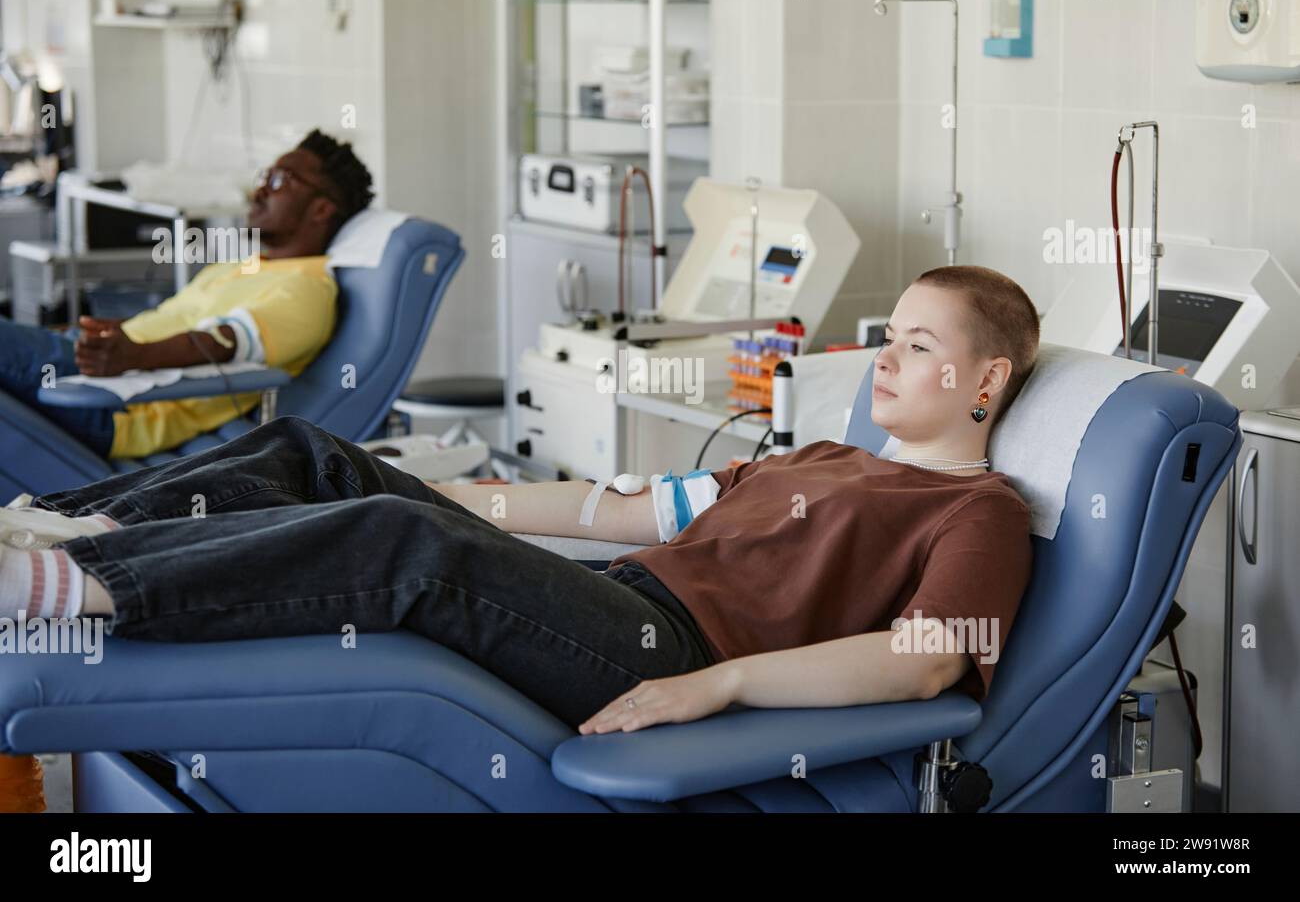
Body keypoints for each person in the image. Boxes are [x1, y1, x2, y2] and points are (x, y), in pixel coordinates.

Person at [0, 266, 1039, 736]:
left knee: (401, 542)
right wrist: (451, 490)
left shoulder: (976, 508)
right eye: (887, 334)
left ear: (985, 382)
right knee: (320, 454)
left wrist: (719, 689)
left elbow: (925, 661)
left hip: (667, 647)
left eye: (918, 344)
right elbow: (625, 509)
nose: (884, 359)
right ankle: (61, 522)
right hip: (613, 594)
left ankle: (59, 586)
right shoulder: (816, 451)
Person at [0, 129, 374, 460]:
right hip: (94, 365)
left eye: (279, 181)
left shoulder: (307, 290)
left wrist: (134, 354)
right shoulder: (247, 265)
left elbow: (225, 341)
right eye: (265, 176)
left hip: (123, 402)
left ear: (322, 208)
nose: (259, 190)